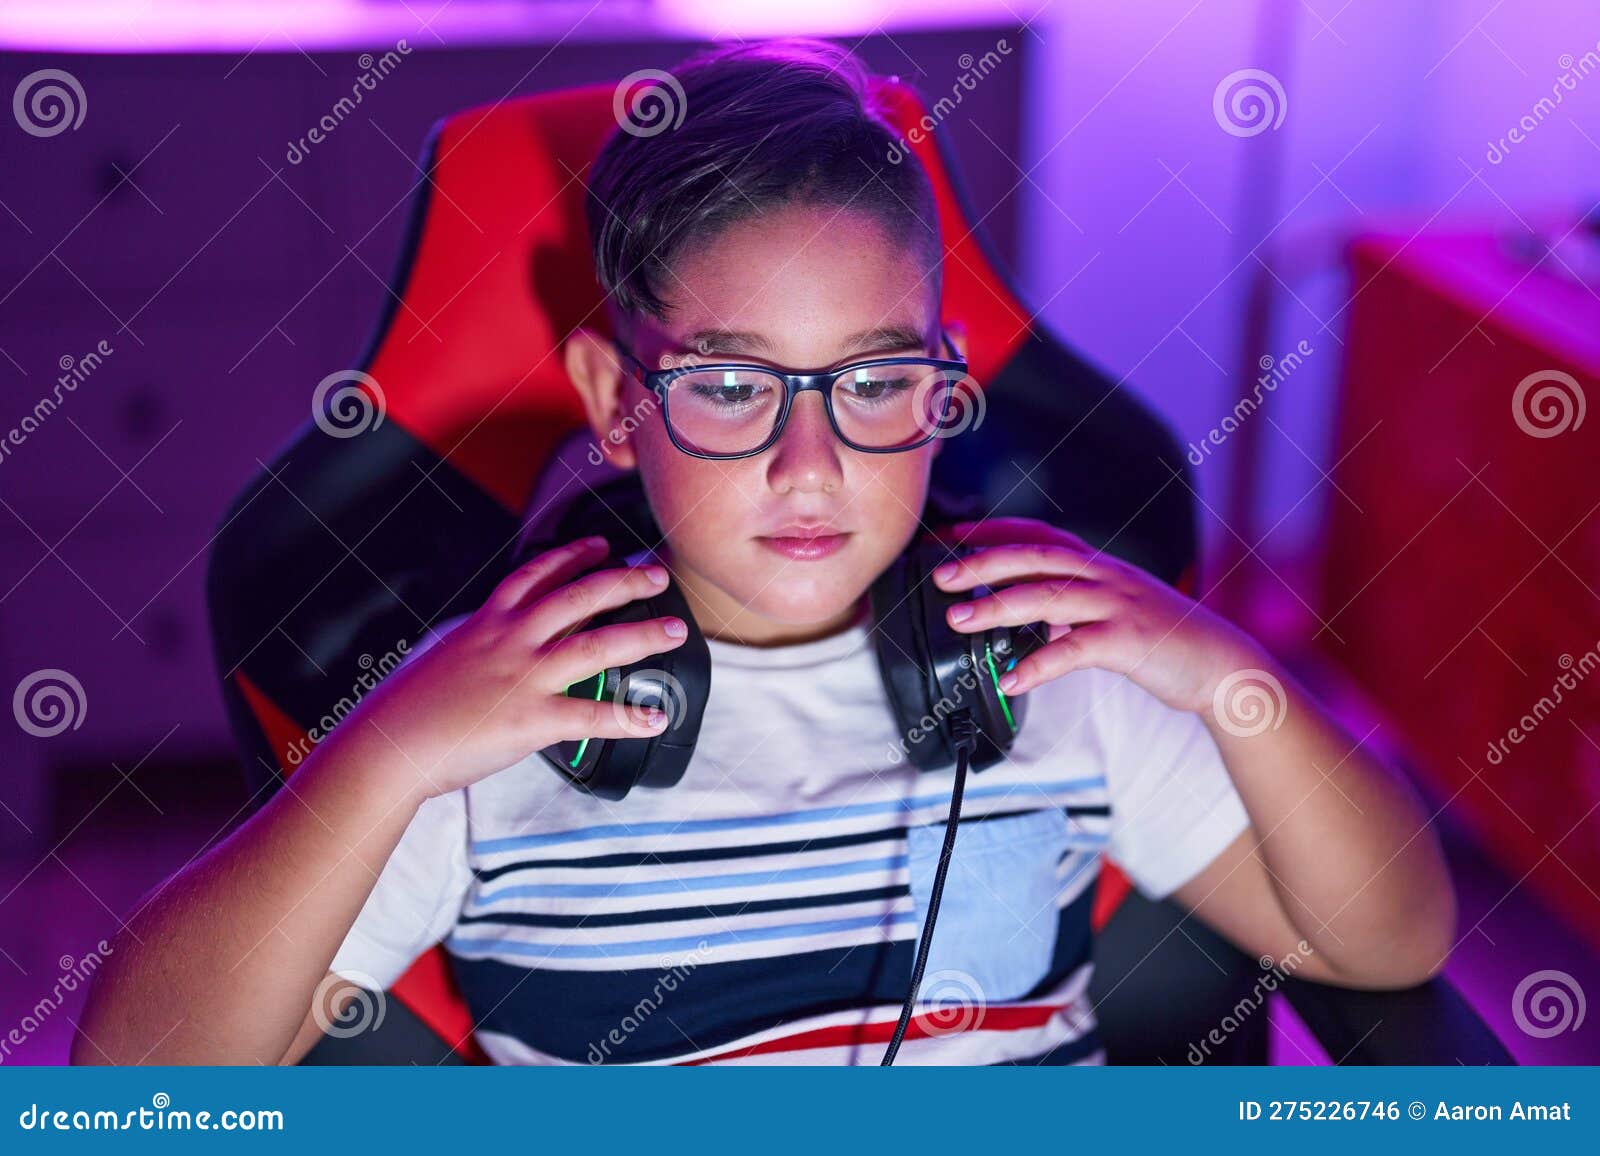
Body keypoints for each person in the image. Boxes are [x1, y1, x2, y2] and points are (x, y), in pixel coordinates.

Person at [74, 37, 1454, 1067]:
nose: (812, 465)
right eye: (732, 387)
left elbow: (1393, 942)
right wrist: (388, 754)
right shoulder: (498, 718)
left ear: (943, 389)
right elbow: (142, 1081)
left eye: (875, 381)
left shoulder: (1042, 662)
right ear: (618, 403)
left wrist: (1224, 672)